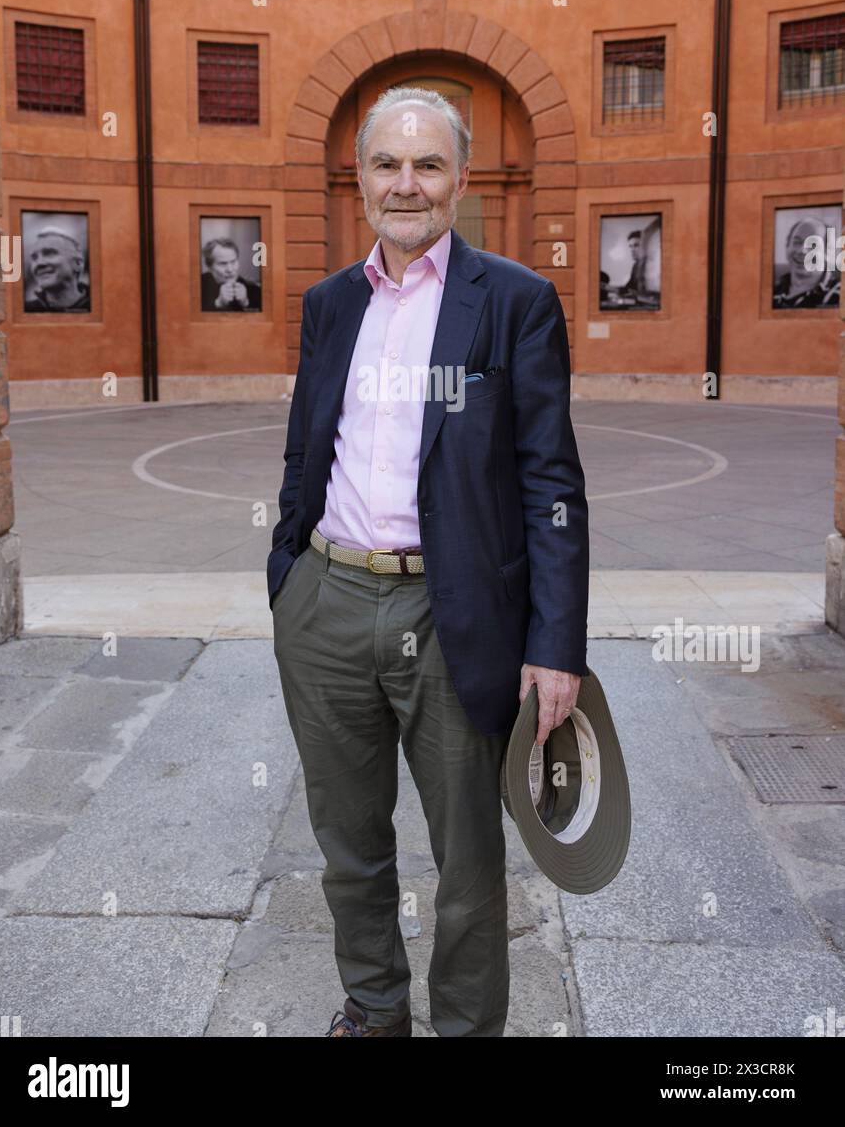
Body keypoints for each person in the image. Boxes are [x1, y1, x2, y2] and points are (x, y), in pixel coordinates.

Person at [267, 85, 589, 1038]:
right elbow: (304, 448)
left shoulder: (515, 303)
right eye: (385, 164)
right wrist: (287, 573)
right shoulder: (330, 304)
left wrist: (555, 643)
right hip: (325, 601)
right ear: (359, 178)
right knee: (346, 843)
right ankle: (375, 1009)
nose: (405, 185)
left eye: (427, 165)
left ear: (458, 180)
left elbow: (550, 480)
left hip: (451, 616)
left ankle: (464, 1028)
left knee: (468, 857)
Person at [773, 216, 840, 309]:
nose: (802, 250)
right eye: (797, 242)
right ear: (787, 246)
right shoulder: (769, 291)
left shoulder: (839, 297)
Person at [24, 227, 90, 312]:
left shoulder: (102, 307)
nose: (39, 263)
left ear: (78, 263)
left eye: (49, 253)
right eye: (34, 258)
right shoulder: (25, 310)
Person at [200, 237, 262, 311]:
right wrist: (218, 304)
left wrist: (246, 303)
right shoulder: (196, 288)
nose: (230, 269)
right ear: (209, 266)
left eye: (233, 262)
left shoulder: (254, 290)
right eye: (223, 263)